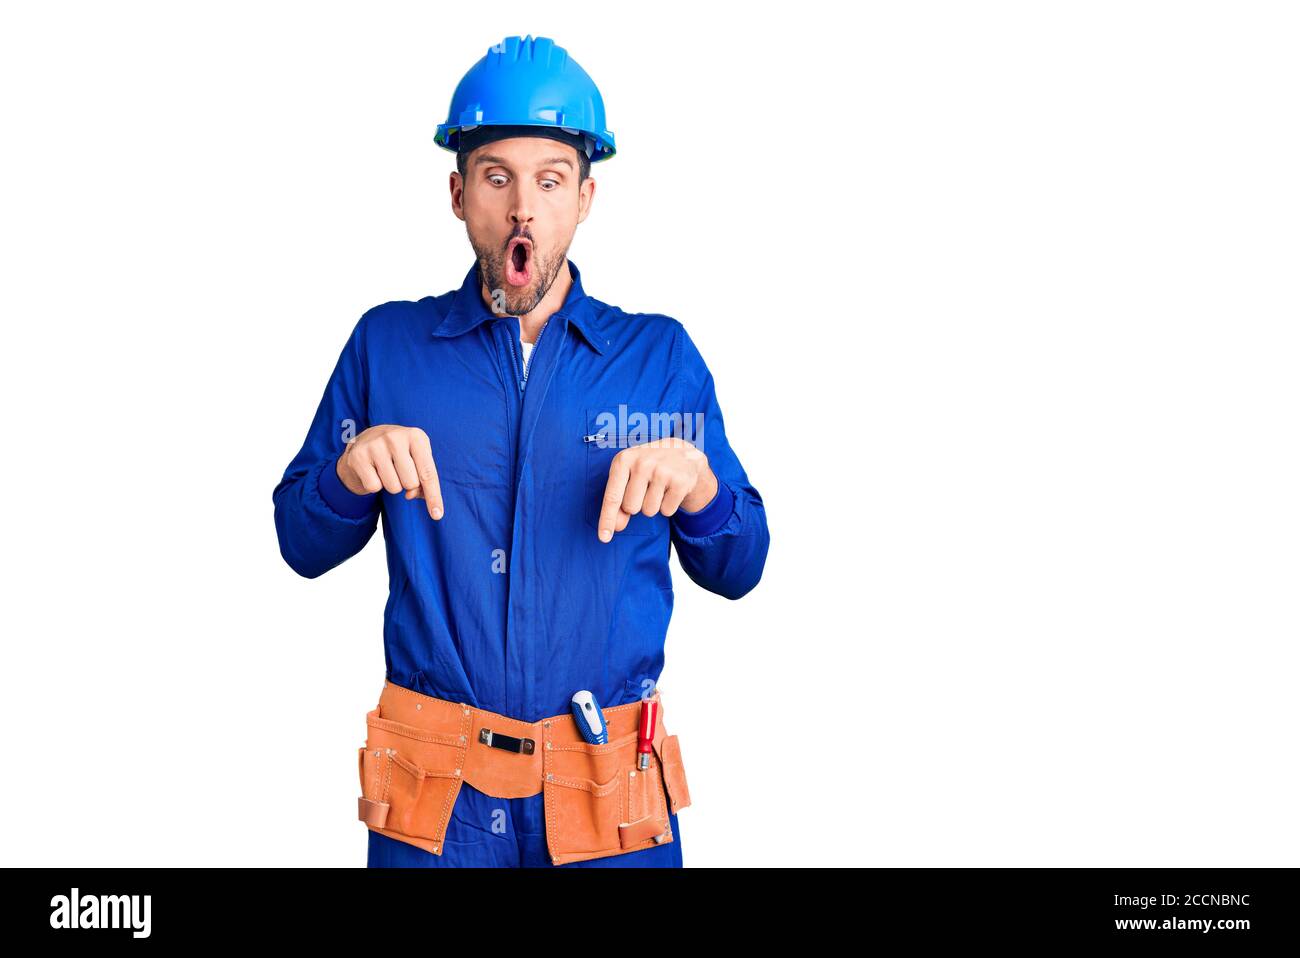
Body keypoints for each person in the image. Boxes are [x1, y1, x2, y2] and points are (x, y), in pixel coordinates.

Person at [272, 35, 770, 867]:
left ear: (586, 197)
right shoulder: (385, 347)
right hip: (434, 807)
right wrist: (347, 475)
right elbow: (299, 544)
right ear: (458, 192)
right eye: (498, 177)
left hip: (610, 801)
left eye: (549, 180)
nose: (523, 212)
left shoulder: (660, 359)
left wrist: (701, 488)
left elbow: (741, 565)